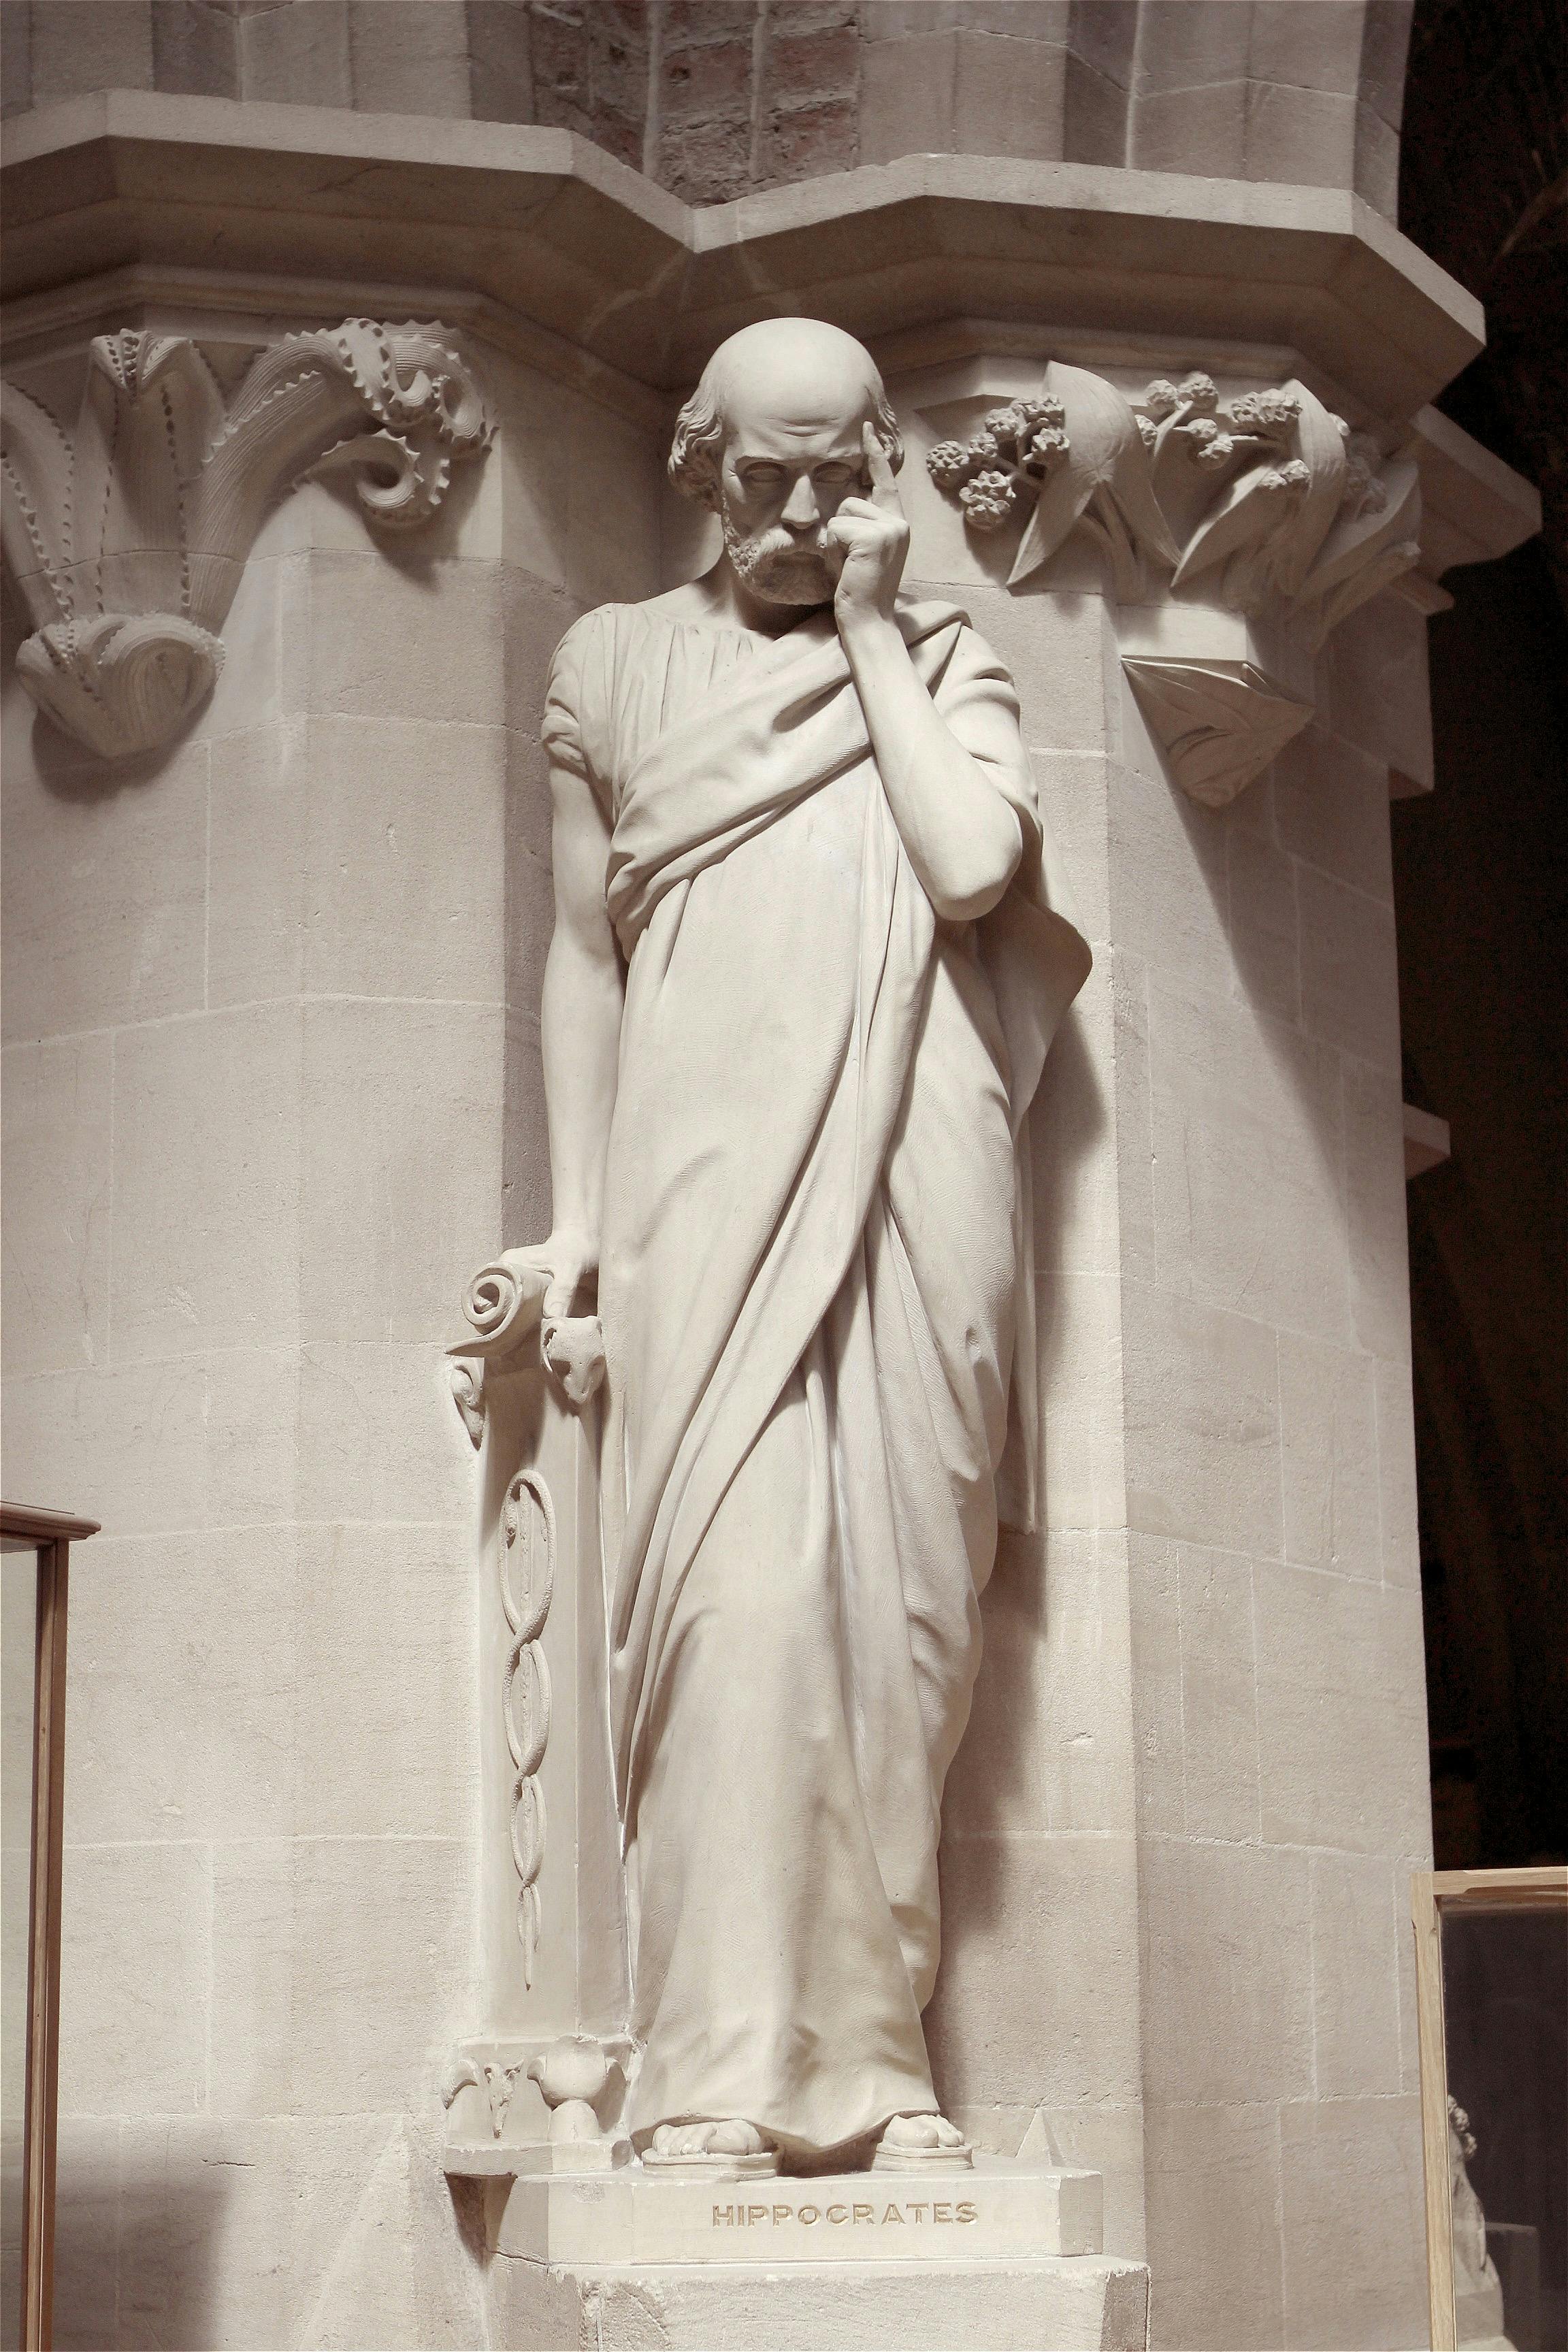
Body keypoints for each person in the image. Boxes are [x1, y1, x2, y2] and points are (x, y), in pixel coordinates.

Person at [512, 316, 1089, 2172]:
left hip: (917, 1170)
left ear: (885, 474)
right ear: (701, 463)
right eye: (772, 480)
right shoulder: (609, 663)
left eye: (846, 475)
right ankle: (712, 2074)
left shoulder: (938, 657)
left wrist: (866, 627)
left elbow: (973, 867)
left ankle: (874, 2063)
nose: (808, 510)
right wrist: (582, 1222)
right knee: (729, 1609)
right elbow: (582, 954)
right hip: (695, 1173)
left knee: (901, 1615)